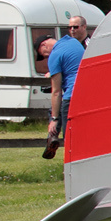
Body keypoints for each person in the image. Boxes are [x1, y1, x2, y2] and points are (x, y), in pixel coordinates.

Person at [42, 15, 87, 159]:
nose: (72, 30)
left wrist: (54, 119)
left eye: (75, 27)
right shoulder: (74, 44)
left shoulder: (57, 53)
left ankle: (53, 134)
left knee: (68, 133)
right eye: (70, 27)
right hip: (85, 92)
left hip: (71, 93)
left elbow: (56, 91)